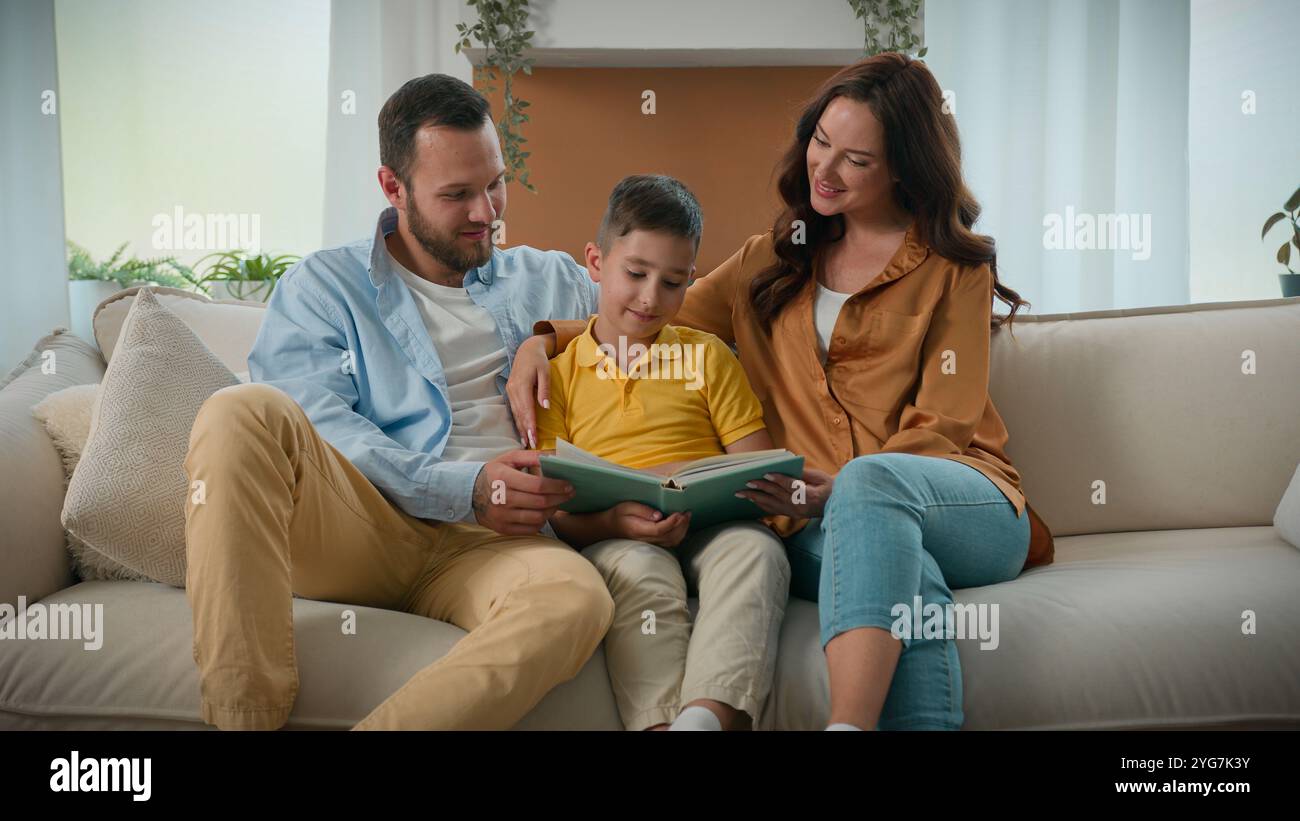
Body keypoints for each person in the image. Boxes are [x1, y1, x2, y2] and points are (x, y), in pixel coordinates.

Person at [508, 53, 1056, 731]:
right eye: (821, 142)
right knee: (907, 574)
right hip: (814, 521)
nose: (825, 169)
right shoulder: (769, 258)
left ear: (902, 167)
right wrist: (543, 343)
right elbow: (652, 315)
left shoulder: (955, 266)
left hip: (960, 499)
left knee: (871, 487)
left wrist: (847, 489)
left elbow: (943, 425)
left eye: (857, 159)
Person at [182, 73, 615, 731]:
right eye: (457, 195)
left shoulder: (551, 279)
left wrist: (552, 335)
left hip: (497, 546)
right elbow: (325, 426)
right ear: (393, 187)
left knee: (576, 598)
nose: (486, 213)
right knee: (236, 411)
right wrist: (466, 487)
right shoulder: (325, 285)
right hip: (364, 526)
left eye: (495, 184)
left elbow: (673, 314)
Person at [532, 174, 790, 731]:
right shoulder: (559, 376)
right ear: (595, 262)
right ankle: (659, 723)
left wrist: (701, 481)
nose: (651, 298)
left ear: (691, 280)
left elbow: (758, 468)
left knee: (757, 552)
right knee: (638, 573)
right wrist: (611, 521)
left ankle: (705, 717)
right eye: (635, 274)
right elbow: (559, 511)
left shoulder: (707, 355)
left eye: (672, 282)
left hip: (717, 525)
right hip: (619, 536)